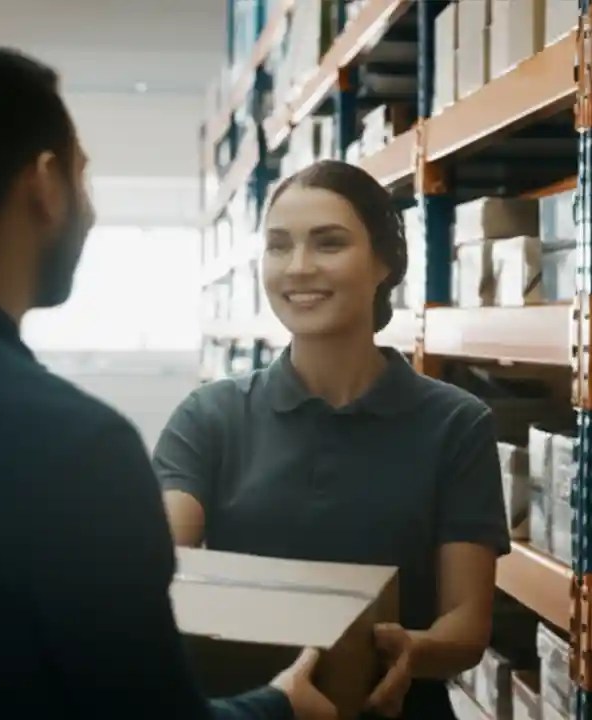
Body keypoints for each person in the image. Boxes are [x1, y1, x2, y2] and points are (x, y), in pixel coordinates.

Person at [0, 43, 333, 720]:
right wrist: (281, 705)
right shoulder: (78, 449)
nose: (88, 209)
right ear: (46, 183)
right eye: (84, 178)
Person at [154, 160, 512, 719]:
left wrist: (410, 652)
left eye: (328, 244)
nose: (297, 268)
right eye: (278, 246)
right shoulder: (211, 417)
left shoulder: (454, 423)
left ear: (385, 264)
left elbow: (466, 623)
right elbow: (156, 559)